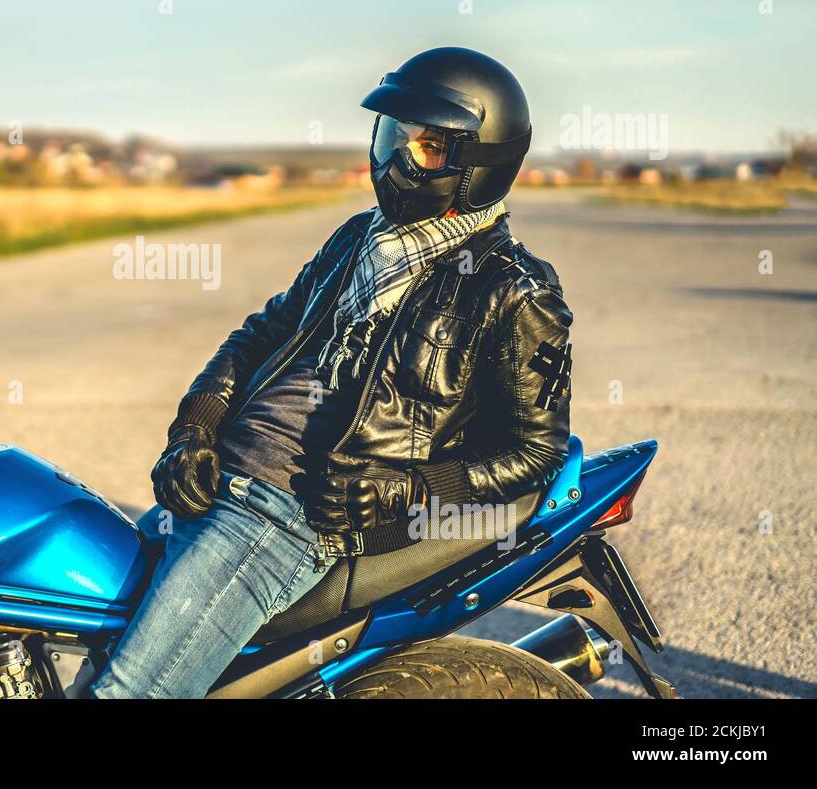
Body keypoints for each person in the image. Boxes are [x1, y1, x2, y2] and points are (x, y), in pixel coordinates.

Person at [90, 47, 573, 698]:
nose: (398, 160)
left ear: (478, 164)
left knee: (128, 693)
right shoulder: (358, 238)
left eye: (427, 147)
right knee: (66, 615)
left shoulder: (512, 292)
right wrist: (195, 428)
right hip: (217, 482)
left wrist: (407, 489)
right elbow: (262, 331)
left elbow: (535, 450)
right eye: (392, 138)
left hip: (281, 517)